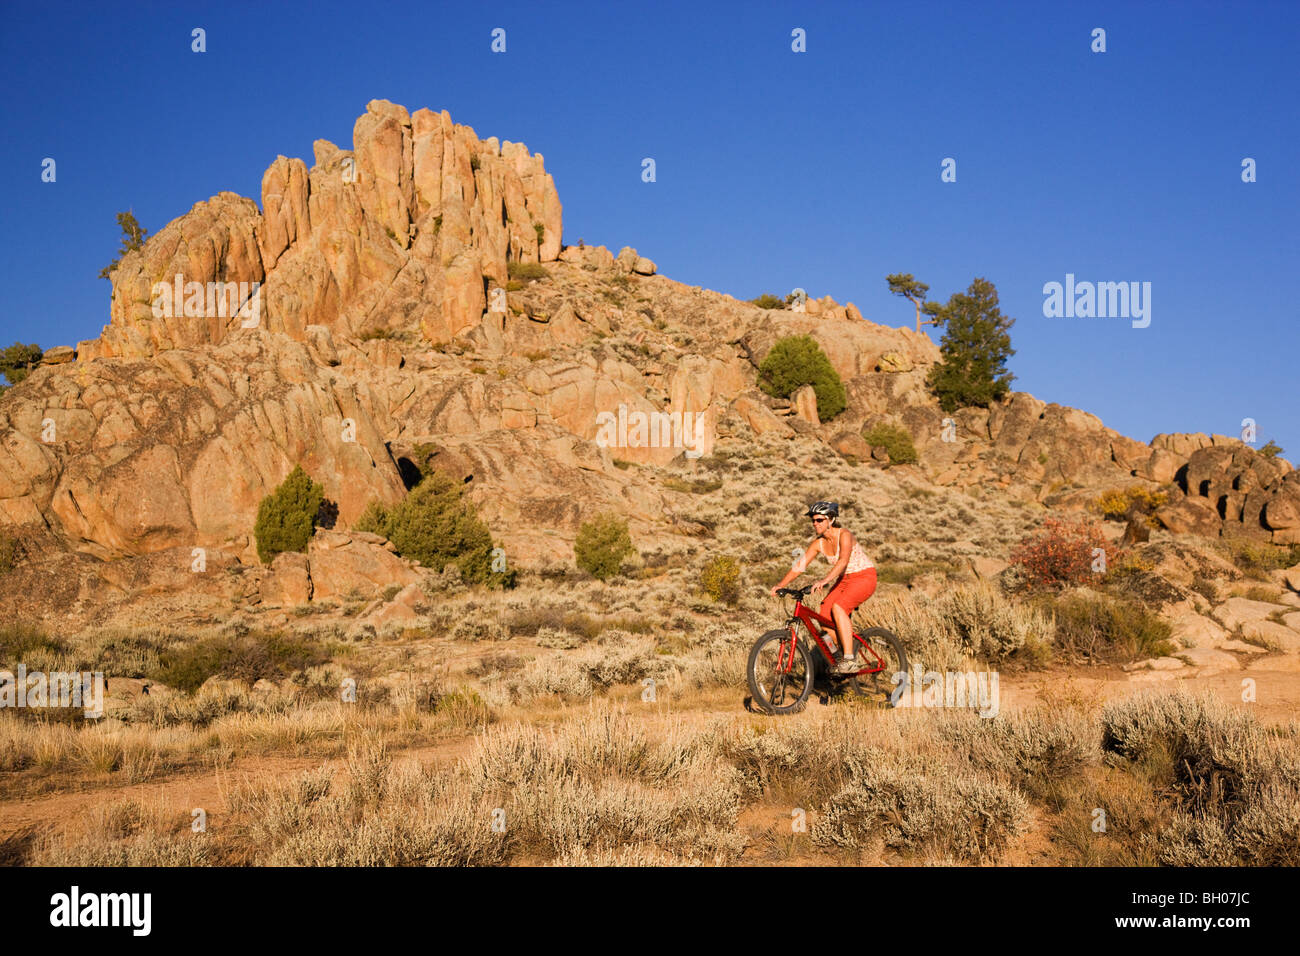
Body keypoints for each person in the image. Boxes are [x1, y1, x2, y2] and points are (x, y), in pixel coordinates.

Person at [769, 501, 877, 674]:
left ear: (831, 519)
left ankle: (850, 659)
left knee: (838, 608)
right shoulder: (818, 543)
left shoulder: (845, 535)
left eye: (819, 520)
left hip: (864, 577)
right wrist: (781, 585)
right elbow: (800, 566)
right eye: (813, 520)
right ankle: (841, 655)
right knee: (824, 615)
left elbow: (843, 561)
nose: (815, 523)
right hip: (844, 580)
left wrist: (825, 580)